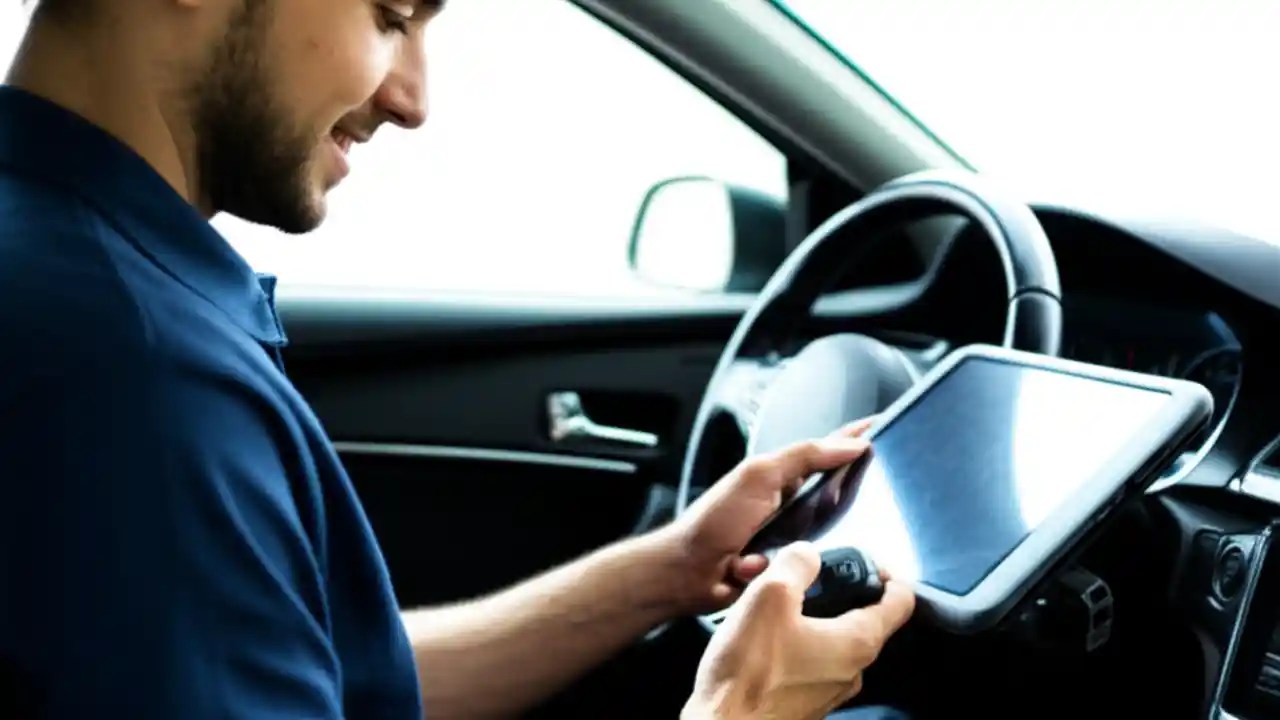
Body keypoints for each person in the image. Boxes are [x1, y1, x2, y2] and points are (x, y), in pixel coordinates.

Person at [0, 1, 916, 718]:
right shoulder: (137, 380)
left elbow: (323, 684)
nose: (413, 99)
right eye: (390, 17)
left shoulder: (71, 269)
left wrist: (668, 572)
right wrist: (739, 709)